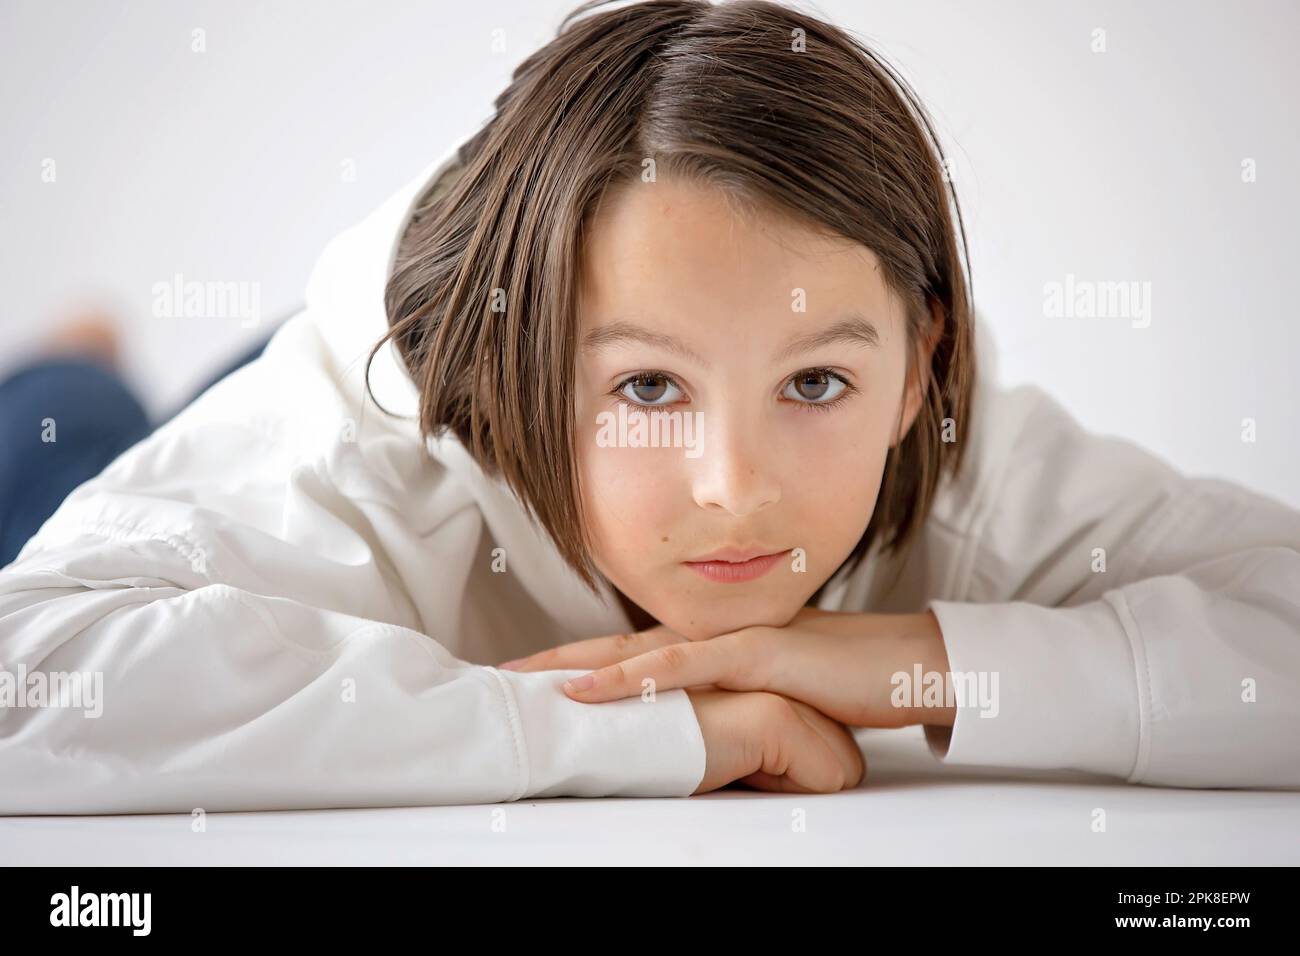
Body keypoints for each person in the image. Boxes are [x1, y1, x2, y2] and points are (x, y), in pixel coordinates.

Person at [1, 0, 1297, 815]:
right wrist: (661, 729)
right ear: (527, 372)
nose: (735, 483)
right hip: (268, 399)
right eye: (647, 387)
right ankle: (72, 357)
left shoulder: (973, 457)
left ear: (918, 365)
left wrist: (908, 662)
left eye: (816, 383)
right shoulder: (353, 458)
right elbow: (30, 682)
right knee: (62, 439)